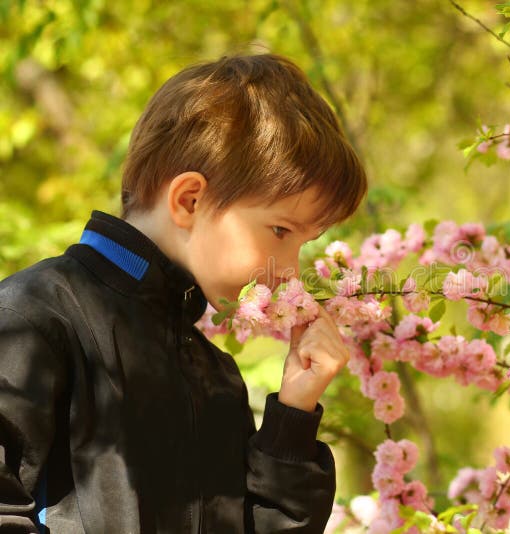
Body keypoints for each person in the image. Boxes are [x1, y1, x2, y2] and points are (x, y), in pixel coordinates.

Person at [0, 53, 367, 533]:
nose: (291, 273)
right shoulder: (31, 321)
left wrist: (292, 421)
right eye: (281, 231)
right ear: (189, 199)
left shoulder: (215, 376)